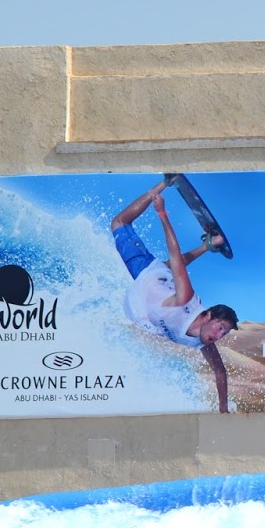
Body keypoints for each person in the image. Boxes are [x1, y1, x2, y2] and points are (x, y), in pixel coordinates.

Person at [110, 176, 239, 413]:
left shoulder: (202, 341)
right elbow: (175, 253)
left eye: (224, 332)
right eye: (220, 327)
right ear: (209, 316)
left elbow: (220, 372)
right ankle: (164, 183)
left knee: (170, 270)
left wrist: (223, 410)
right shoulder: (185, 299)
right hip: (147, 276)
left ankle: (210, 245)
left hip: (153, 294)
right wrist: (161, 213)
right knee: (119, 223)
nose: (219, 335)